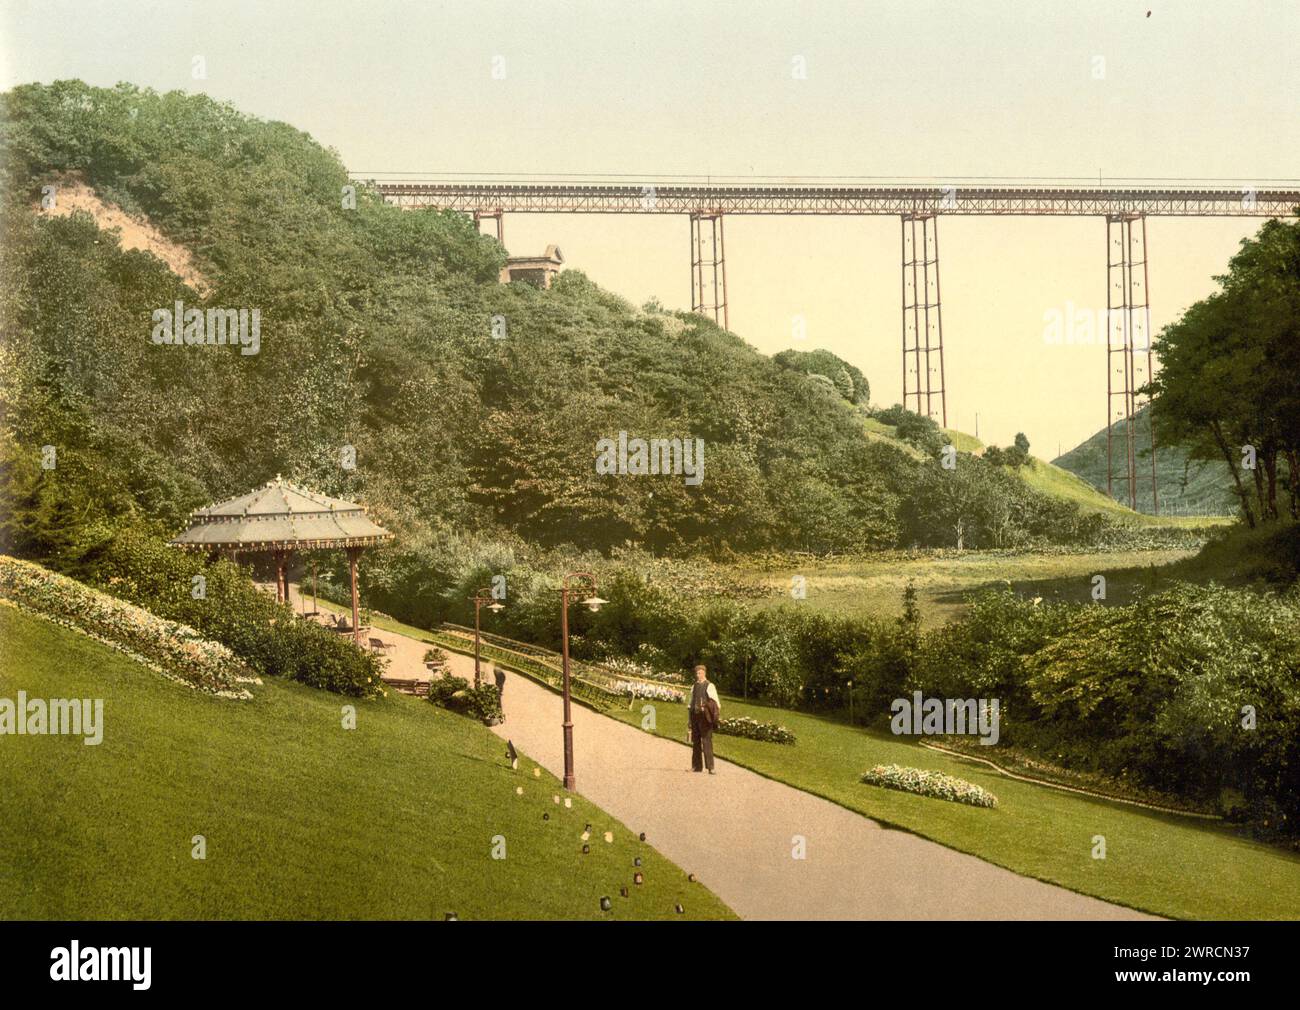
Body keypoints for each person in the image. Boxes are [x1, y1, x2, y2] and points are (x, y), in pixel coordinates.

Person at [687, 663, 720, 774]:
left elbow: (716, 703)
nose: (698, 675)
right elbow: (691, 701)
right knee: (695, 742)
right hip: (694, 716)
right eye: (697, 673)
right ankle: (696, 766)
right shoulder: (694, 686)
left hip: (705, 718)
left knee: (706, 741)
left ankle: (711, 767)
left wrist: (705, 706)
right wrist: (690, 716)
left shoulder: (709, 686)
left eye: (700, 673)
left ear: (704, 673)